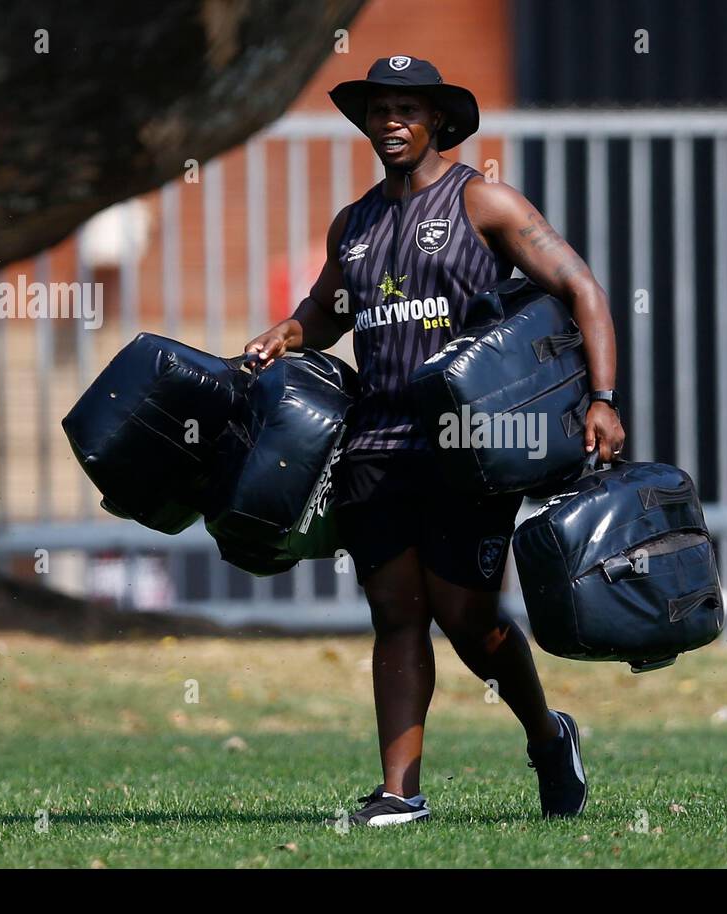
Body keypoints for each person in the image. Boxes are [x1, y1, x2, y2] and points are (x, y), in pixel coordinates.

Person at [245, 56, 625, 826]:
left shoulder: (481, 199)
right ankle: (400, 793)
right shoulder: (352, 224)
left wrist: (603, 398)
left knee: (468, 619)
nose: (391, 122)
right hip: (374, 446)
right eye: (379, 109)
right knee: (394, 611)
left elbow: (580, 287)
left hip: (467, 445)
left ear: (438, 122)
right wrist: (289, 331)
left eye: (406, 109)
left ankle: (549, 738)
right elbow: (329, 310)